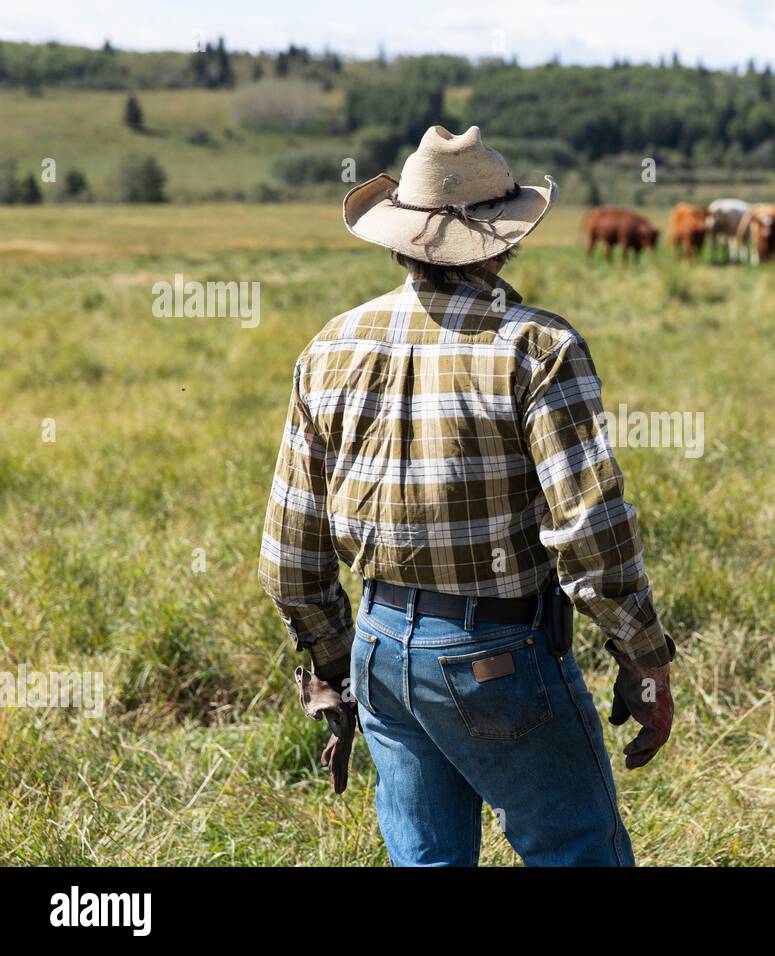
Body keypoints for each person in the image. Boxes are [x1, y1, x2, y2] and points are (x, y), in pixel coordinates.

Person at [259, 125, 675, 866]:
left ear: (400, 237)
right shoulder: (538, 348)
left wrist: (333, 660)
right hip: (500, 652)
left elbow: (291, 555)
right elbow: (588, 531)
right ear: (504, 239)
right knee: (578, 850)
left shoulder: (329, 345)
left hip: (380, 649)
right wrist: (642, 655)